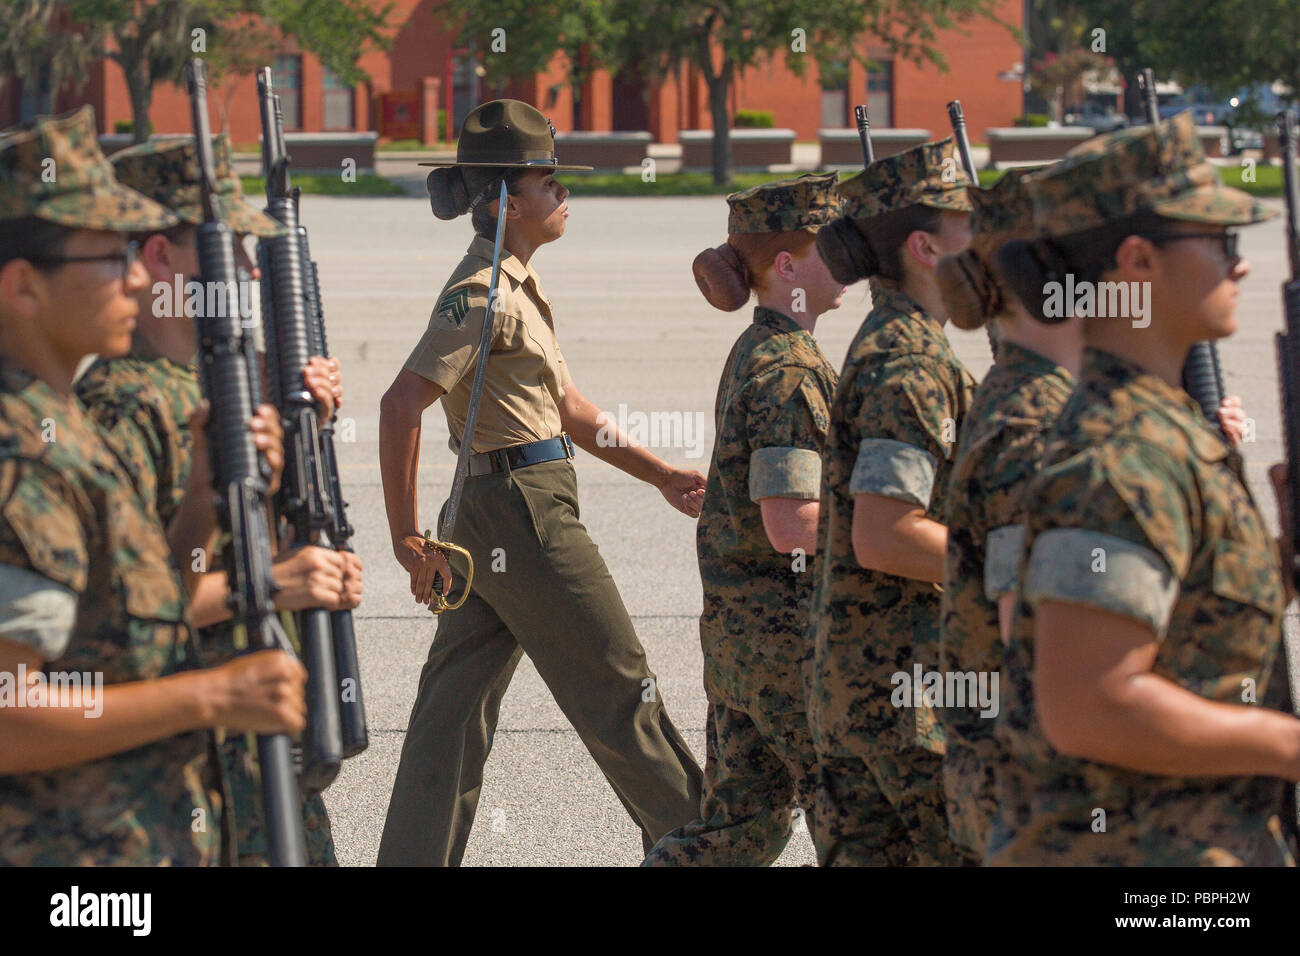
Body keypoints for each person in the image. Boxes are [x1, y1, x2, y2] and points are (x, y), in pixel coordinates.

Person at [377, 99, 705, 866]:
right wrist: (404, 537)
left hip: (494, 512)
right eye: (549, 182)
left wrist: (659, 475)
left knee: (450, 717)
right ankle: (707, 849)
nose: (564, 196)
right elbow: (401, 403)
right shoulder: (482, 293)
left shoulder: (514, 285)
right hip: (522, 515)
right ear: (506, 201)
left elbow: (570, 411)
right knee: (619, 685)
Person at [988, 112, 1297, 865]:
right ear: (1138, 260)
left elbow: (1191, 625)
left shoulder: (1164, 428)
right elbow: (1092, 705)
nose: (1241, 264)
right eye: (1220, 241)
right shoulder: (1117, 455)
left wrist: (1282, 559)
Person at [0, 106, 303, 865]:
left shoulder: (53, 422)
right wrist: (212, 697)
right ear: (24, 288)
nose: (136, 275)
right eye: (108, 258)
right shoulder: (21, 454)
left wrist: (203, 493)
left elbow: (121, 627)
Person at [74, 133, 360, 866]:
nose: (244, 266)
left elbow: (228, 542)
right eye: (226, 244)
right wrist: (273, 583)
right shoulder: (125, 405)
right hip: (192, 761)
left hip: (251, 749)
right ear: (159, 258)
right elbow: (124, 613)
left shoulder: (207, 383)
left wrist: (304, 437)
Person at [643, 173, 844, 865]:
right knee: (860, 818)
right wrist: (894, 521)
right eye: (830, 245)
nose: (847, 259)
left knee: (740, 831)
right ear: (787, 267)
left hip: (746, 643)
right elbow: (791, 523)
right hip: (788, 646)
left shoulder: (764, 347)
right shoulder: (788, 369)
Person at [805, 137, 977, 866]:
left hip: (872, 689)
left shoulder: (905, 346)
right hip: (908, 701)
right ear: (925, 248)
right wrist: (1016, 568)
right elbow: (886, 533)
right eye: (972, 229)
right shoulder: (908, 363)